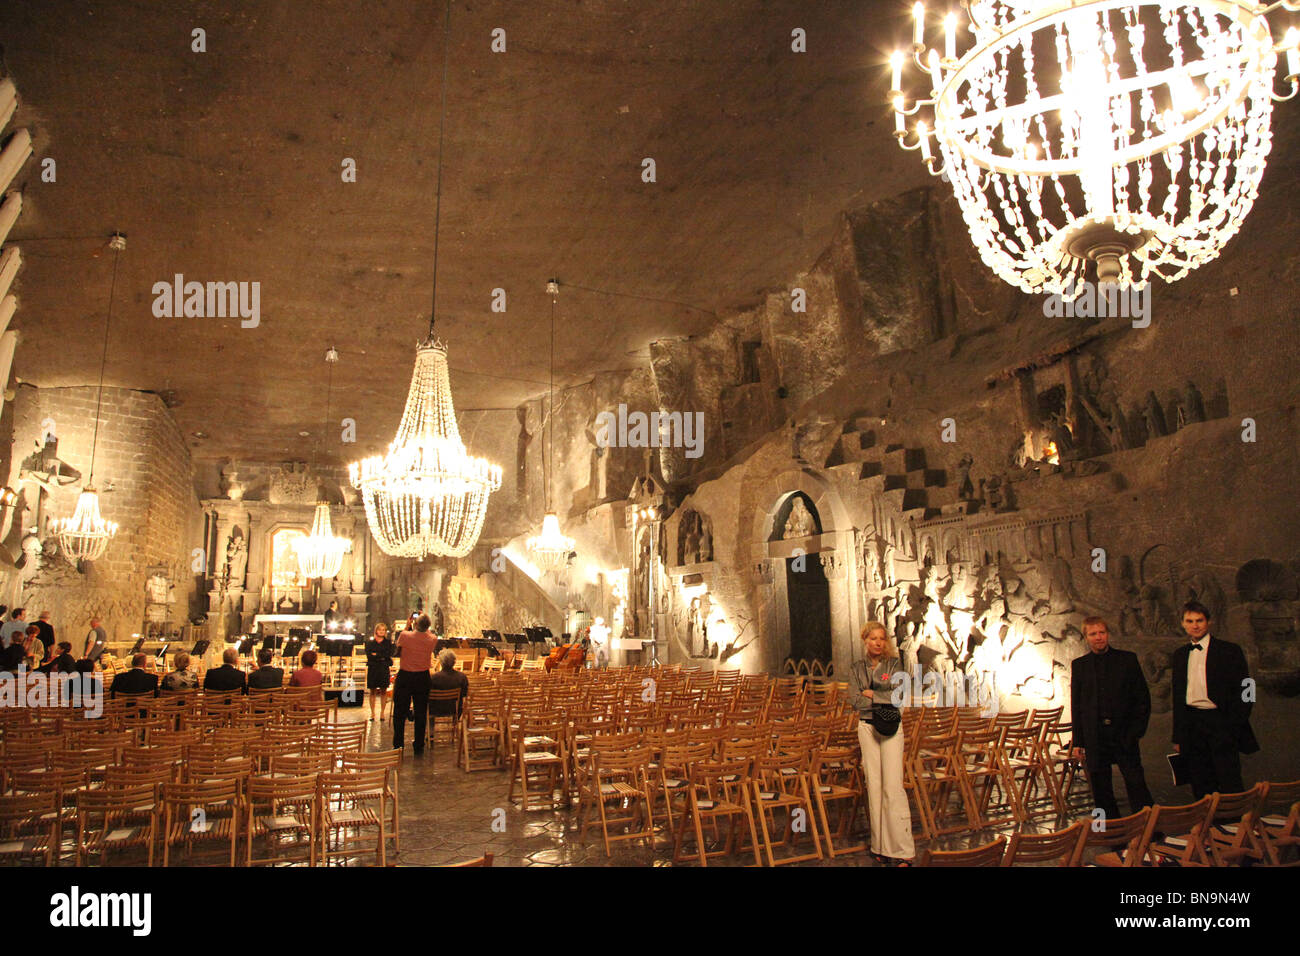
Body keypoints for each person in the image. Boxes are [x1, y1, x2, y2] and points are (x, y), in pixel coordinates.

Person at [1069, 616, 1154, 819]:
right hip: (1095, 737)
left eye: (1102, 633)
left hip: (1124, 734)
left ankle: (1151, 830)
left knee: (1137, 784)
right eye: (1093, 634)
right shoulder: (1080, 665)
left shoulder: (1127, 659)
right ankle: (1108, 831)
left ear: (1107, 634)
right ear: (1086, 637)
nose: (1098, 637)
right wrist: (1079, 741)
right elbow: (1077, 705)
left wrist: (1135, 732)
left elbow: (1142, 699)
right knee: (1100, 790)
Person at [1171, 601, 1258, 798]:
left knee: (1229, 778)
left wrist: (1236, 722)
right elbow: (1177, 698)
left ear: (1209, 622)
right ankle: (1210, 827)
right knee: (1200, 780)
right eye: (1190, 621)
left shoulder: (1229, 650)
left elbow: (1248, 688)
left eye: (1199, 620)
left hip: (1221, 721)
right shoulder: (1179, 655)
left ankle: (1236, 826)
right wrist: (1178, 736)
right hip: (1192, 724)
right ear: (1183, 624)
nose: (1195, 625)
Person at [851, 621, 914, 866]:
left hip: (891, 728)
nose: (878, 642)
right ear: (865, 640)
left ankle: (902, 849)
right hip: (867, 728)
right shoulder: (857, 668)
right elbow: (855, 701)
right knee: (874, 786)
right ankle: (880, 846)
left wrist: (873, 694)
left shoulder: (894, 665)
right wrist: (881, 698)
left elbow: (900, 697)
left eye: (881, 638)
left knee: (893, 788)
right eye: (873, 638)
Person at [392, 614, 437, 755]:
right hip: (422, 677)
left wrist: (408, 624)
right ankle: (419, 744)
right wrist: (421, 623)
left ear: (415, 624)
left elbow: (399, 642)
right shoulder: (432, 639)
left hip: (405, 676)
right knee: (421, 712)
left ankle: (398, 744)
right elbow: (427, 631)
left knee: (399, 712)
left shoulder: (406, 635)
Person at [365, 623, 394, 722]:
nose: (381, 631)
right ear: (376, 631)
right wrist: (380, 656)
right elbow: (369, 655)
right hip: (373, 668)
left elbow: (388, 654)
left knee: (383, 690)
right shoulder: (370, 643)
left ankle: (382, 712)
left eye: (383, 630)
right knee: (372, 691)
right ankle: (372, 713)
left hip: (383, 668)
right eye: (380, 630)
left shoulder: (388, 643)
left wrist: (376, 654)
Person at [428, 648, 469, 718]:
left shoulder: (433, 678)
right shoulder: (462, 677)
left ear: (441, 662)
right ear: (454, 662)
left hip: (435, 711)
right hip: (455, 711)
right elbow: (464, 694)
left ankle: (431, 727)